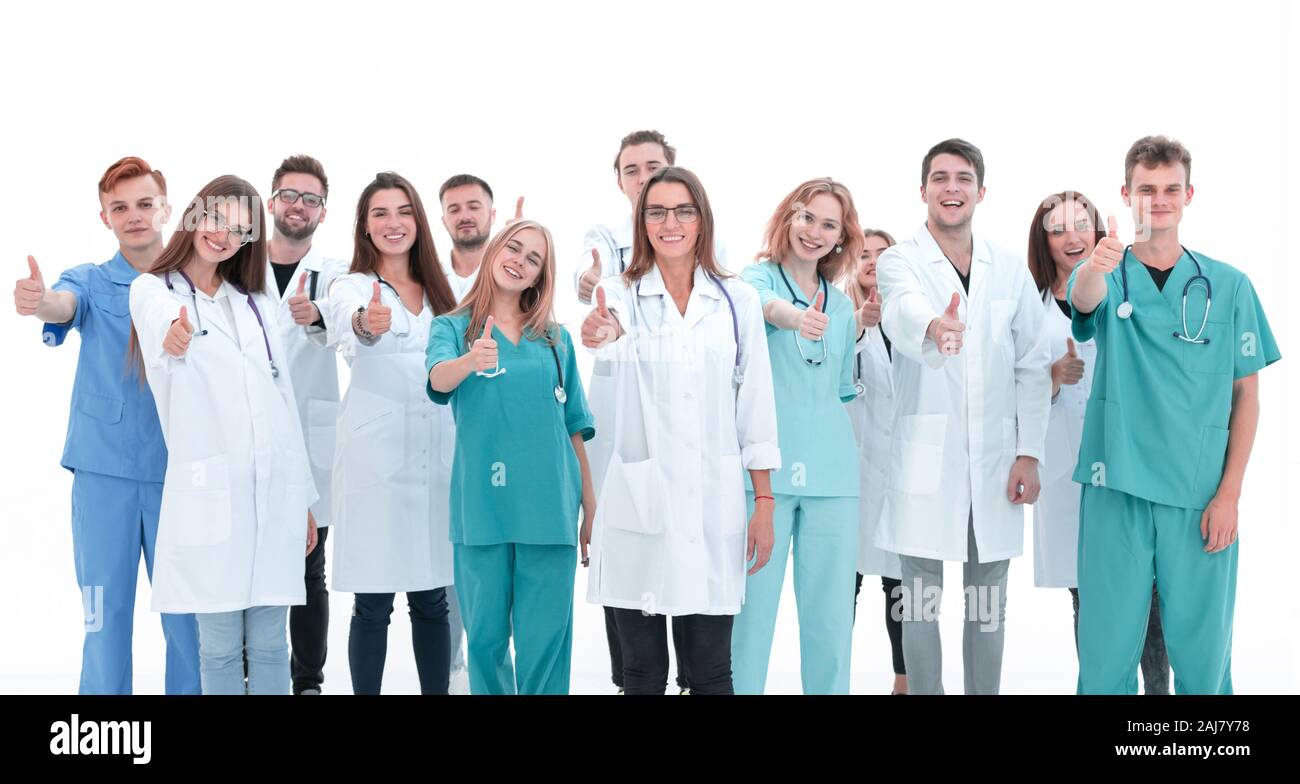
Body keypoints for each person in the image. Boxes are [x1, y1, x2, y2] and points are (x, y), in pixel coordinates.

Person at [1068, 136, 1280, 694]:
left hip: (1200, 491)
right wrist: (1096, 263)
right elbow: (1084, 303)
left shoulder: (1229, 285)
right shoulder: (1106, 270)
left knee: (1205, 657)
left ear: (1188, 195)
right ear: (1126, 194)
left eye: (1168, 190)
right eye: (1145, 190)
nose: (1157, 201)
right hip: (1117, 486)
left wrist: (1230, 493)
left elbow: (1247, 396)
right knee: (1105, 653)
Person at [581, 166, 779, 695]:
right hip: (639, 503)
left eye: (683, 210)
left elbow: (755, 406)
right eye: (657, 211)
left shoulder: (737, 301)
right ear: (641, 221)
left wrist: (764, 501)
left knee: (713, 671)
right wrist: (604, 328)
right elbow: (608, 323)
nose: (671, 222)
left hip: (714, 506)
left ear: (702, 219)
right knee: (642, 674)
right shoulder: (619, 290)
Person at [14, 156, 200, 695]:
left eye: (145, 204)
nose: (134, 216)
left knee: (188, 620)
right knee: (104, 615)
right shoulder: (91, 282)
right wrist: (38, 302)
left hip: (180, 475)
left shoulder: (193, 285)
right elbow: (60, 304)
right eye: (120, 207)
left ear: (165, 208)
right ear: (105, 218)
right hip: (103, 475)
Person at [128, 175, 317, 695]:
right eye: (215, 219)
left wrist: (302, 498)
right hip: (211, 493)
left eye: (239, 229)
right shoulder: (155, 290)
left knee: (273, 644)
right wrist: (174, 331)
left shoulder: (256, 301)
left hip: (274, 490)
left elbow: (284, 404)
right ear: (193, 216)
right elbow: (160, 321)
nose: (223, 235)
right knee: (217, 647)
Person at [875, 138, 1051, 695]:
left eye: (963, 178)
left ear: (981, 190)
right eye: (940, 178)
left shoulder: (1009, 269)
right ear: (923, 190)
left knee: (988, 607)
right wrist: (932, 326)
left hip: (997, 461)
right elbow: (902, 306)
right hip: (927, 462)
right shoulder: (899, 259)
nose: (952, 188)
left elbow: (1032, 362)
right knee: (920, 604)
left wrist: (1030, 452)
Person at [576, 129, 723, 693]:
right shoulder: (604, 243)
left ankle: (692, 675)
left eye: (652, 167)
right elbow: (592, 287)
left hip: (694, 443)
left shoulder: (710, 253)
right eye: (631, 170)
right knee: (629, 575)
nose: (642, 179)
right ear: (619, 180)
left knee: (692, 575)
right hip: (623, 431)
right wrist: (596, 295)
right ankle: (629, 677)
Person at [426, 220, 595, 695]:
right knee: (484, 642)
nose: (520, 260)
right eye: (514, 248)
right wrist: (469, 362)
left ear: (541, 275)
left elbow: (575, 427)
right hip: (482, 509)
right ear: (496, 248)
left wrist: (590, 507)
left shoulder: (555, 340)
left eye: (533, 258)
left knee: (547, 645)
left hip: (552, 509)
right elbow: (438, 379)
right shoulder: (453, 327)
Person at [1026, 189, 1169, 694]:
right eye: (1058, 227)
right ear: (1044, 239)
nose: (1072, 236)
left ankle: (1158, 696)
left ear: (1098, 231)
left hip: (1132, 455)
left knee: (1149, 588)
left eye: (1080, 224)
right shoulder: (1030, 305)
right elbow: (1008, 388)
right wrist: (1052, 376)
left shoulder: (1131, 285)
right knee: (1085, 592)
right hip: (1067, 464)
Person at [326, 172, 458, 695]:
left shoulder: (442, 290)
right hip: (376, 468)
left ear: (418, 221)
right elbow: (347, 321)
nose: (393, 223)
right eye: (379, 213)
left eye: (403, 211)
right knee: (374, 601)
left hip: (437, 459)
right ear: (364, 226)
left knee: (432, 597)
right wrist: (365, 322)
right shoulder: (352, 285)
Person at [731, 177, 864, 695]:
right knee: (750, 618)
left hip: (833, 477)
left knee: (831, 621)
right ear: (787, 218)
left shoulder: (845, 308)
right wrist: (797, 319)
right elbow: (765, 308)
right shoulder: (751, 279)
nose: (813, 231)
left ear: (839, 238)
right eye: (806, 216)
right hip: (764, 477)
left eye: (828, 224)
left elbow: (841, 393)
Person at [263, 154, 348, 695]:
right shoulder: (237, 265)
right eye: (290, 196)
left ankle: (308, 682)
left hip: (311, 434)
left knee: (308, 567)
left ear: (322, 212)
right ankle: (253, 673)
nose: (299, 206)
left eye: (311, 199)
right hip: (249, 432)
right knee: (249, 563)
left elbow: (346, 320)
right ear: (271, 203)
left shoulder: (337, 273)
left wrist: (318, 315)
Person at [436, 172, 504, 692]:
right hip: (437, 435)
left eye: (474, 206)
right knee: (455, 559)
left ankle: (487, 668)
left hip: (500, 438)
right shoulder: (432, 280)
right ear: (442, 218)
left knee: (494, 563)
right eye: (454, 207)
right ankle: (457, 665)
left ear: (492, 214)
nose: (465, 215)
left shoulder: (515, 275)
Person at [843, 228, 907, 695]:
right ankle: (831, 679)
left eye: (883, 255)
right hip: (849, 471)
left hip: (902, 473)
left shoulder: (912, 320)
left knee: (900, 586)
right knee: (841, 584)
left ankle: (904, 682)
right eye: (863, 254)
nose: (873, 261)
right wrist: (860, 327)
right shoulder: (835, 318)